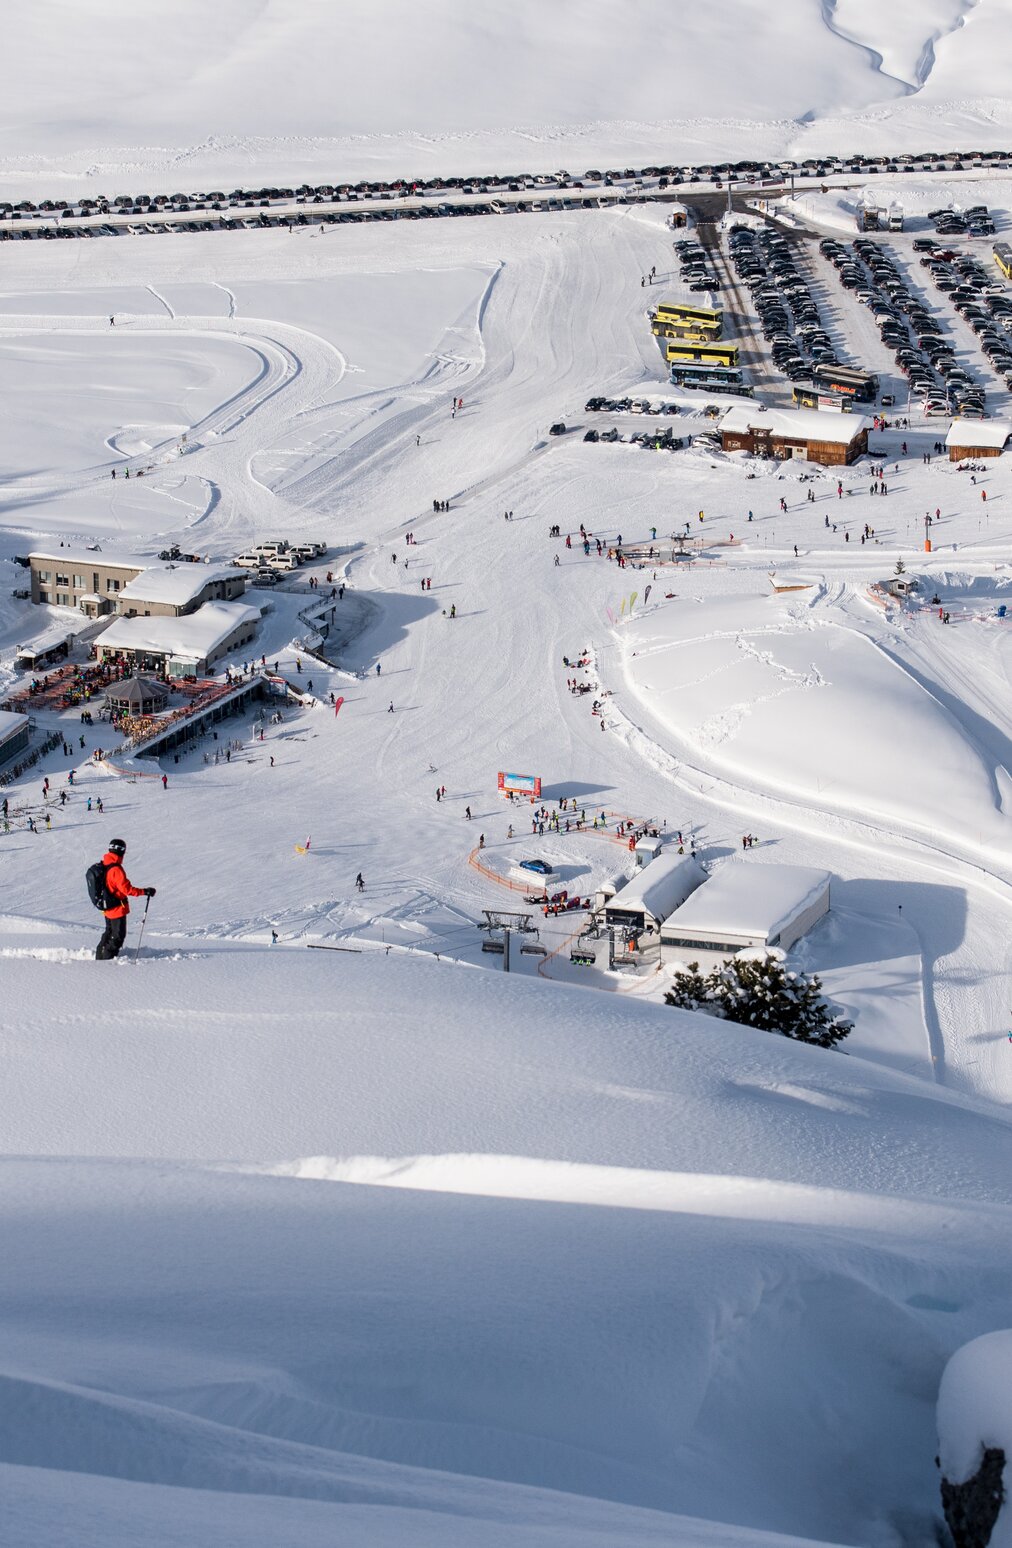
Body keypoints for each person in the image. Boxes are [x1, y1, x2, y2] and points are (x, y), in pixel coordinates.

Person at [95, 838, 155, 961]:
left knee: (109, 933)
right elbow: (127, 889)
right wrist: (144, 891)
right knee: (117, 936)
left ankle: (100, 957)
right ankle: (106, 962)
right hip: (116, 908)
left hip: (108, 906)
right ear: (121, 851)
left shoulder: (105, 863)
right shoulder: (116, 869)